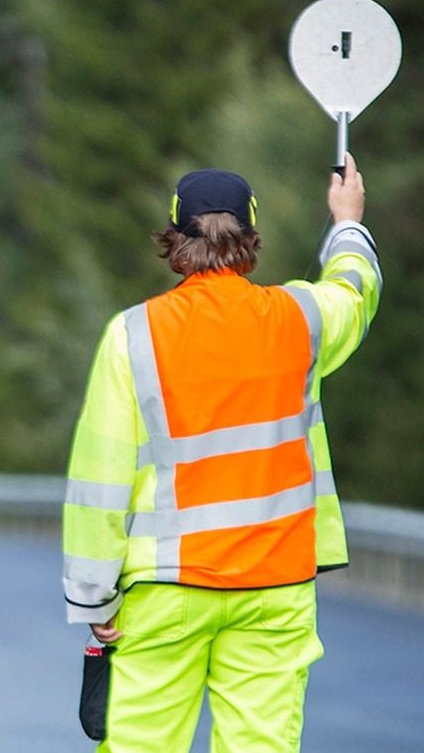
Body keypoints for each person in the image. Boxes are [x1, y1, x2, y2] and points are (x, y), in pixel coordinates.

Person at [62, 153, 379, 752]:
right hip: (274, 587)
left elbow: (99, 478)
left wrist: (93, 596)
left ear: (175, 238)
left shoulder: (134, 334)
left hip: (167, 589)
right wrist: (347, 223)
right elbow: (354, 290)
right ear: (251, 237)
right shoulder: (300, 318)